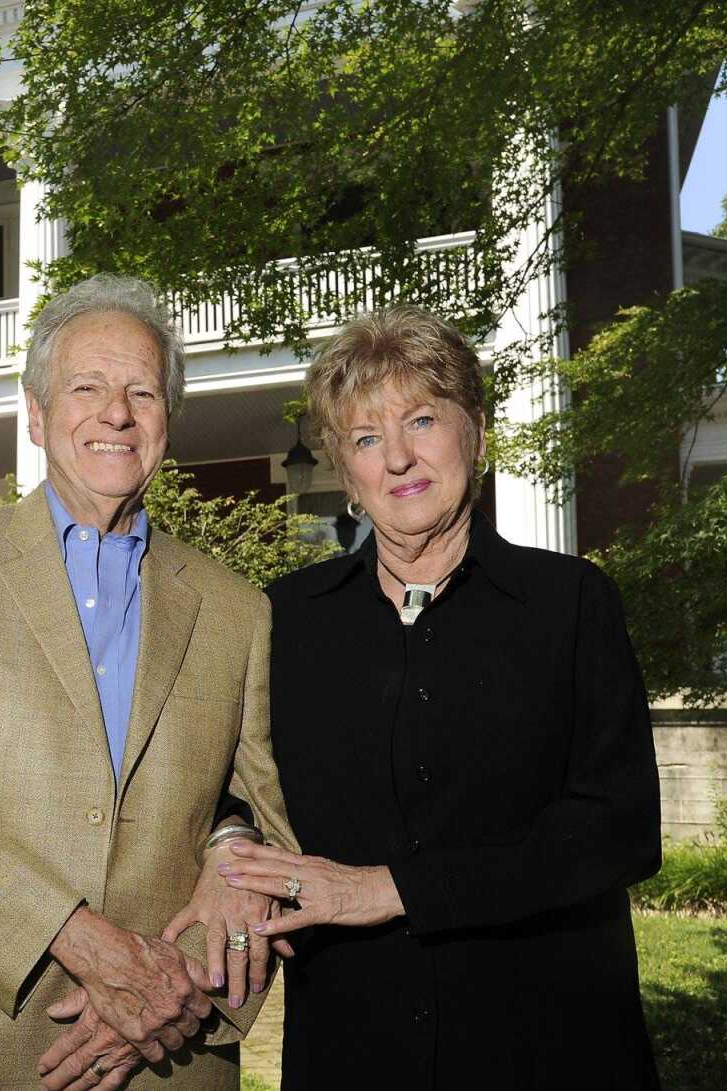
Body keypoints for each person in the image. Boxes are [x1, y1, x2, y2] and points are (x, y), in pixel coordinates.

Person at [0, 273, 296, 1089]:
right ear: (36, 410)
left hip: (171, 1051)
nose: (115, 413)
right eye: (86, 386)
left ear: (169, 418)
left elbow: (266, 828)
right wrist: (81, 938)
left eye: (141, 391)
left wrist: (175, 992)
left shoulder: (238, 610)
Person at [213, 305, 663, 1088]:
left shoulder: (570, 603)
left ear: (477, 433)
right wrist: (228, 850)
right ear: (344, 471)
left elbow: (619, 827)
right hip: (354, 1050)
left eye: (422, 419)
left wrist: (388, 888)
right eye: (364, 438)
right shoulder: (284, 618)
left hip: (549, 1047)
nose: (397, 457)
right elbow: (229, 784)